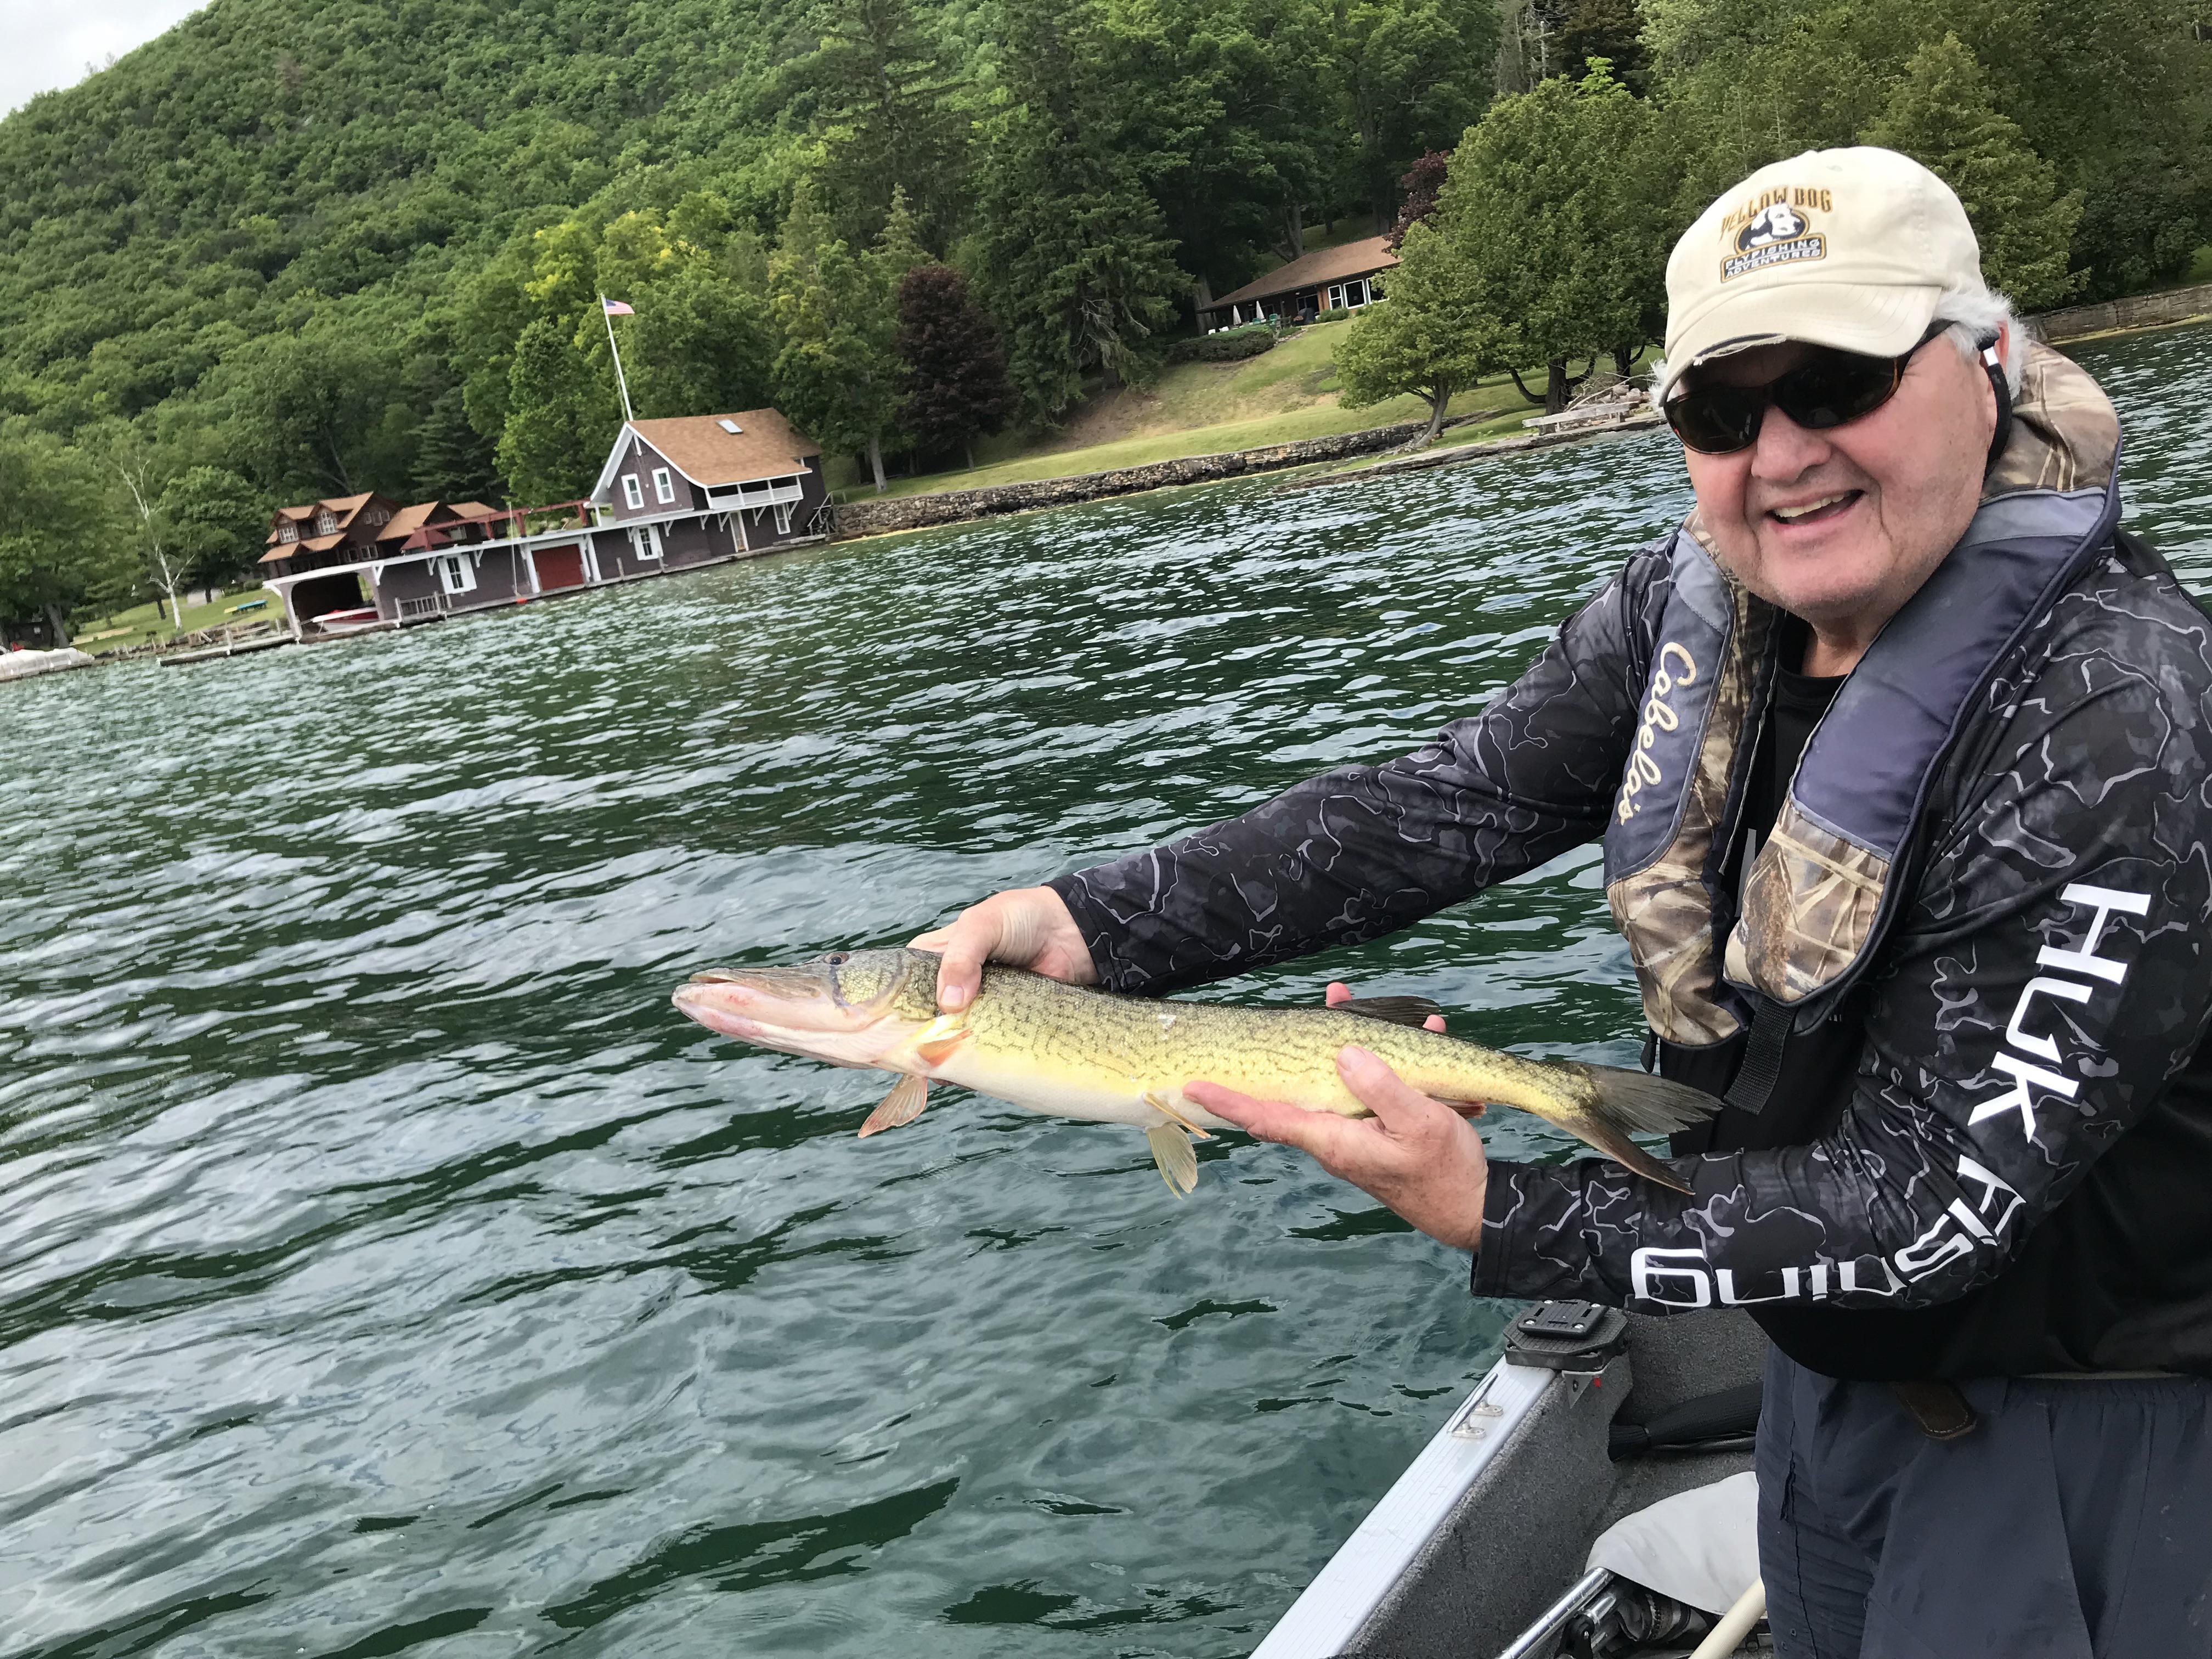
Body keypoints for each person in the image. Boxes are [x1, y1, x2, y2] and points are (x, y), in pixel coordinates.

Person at [913, 146, 2212, 1656]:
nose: (1783, 455)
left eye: (1841, 381)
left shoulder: (2119, 718)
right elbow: (1453, 798)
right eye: (1723, 413)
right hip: (1831, 1393)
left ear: (1987, 367)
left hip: (2096, 1438)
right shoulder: (1693, 606)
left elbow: (1932, 1207)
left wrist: (1500, 1211)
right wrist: (1092, 923)